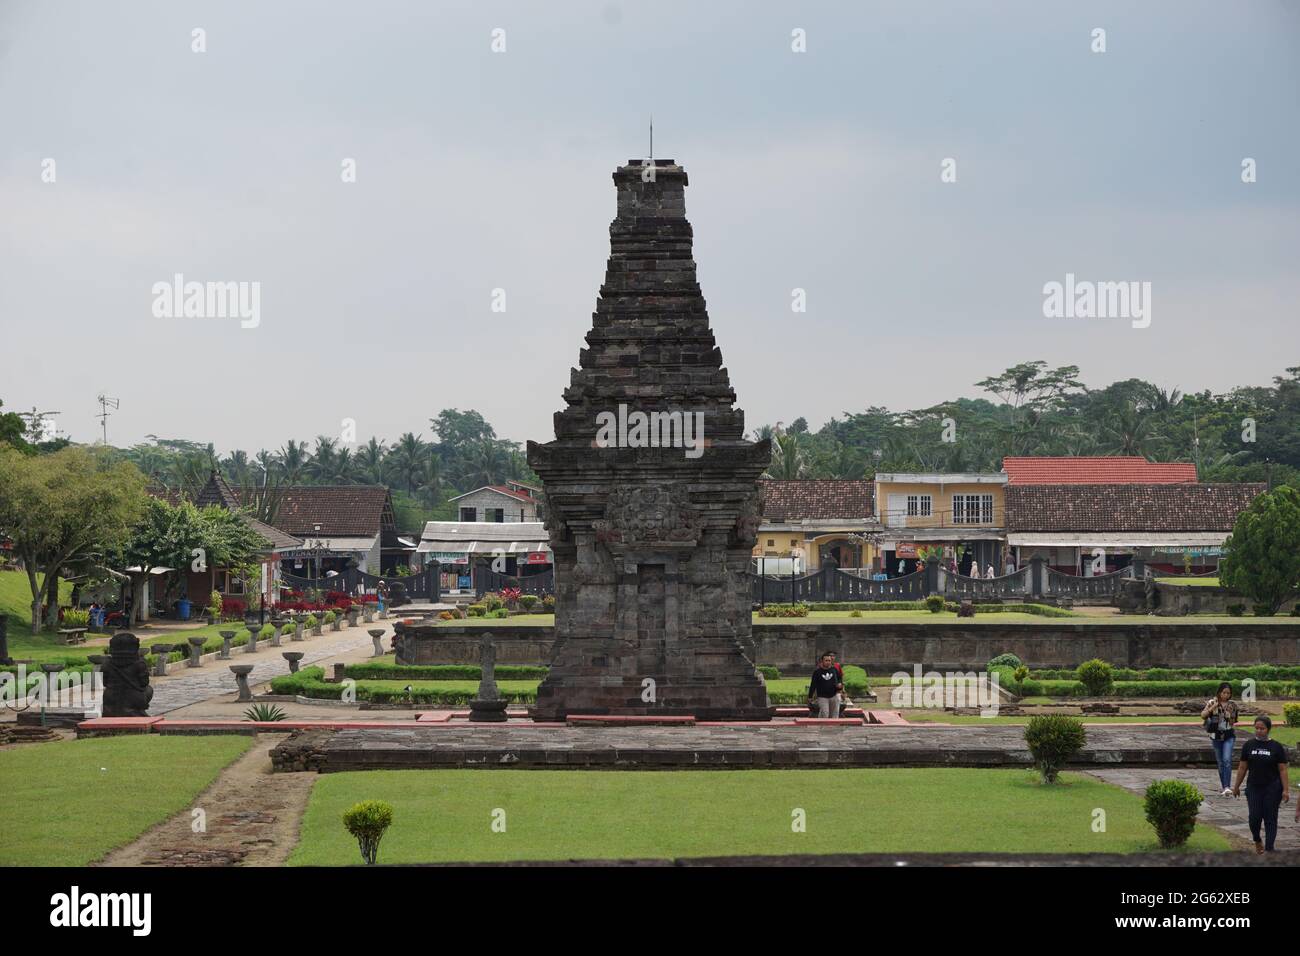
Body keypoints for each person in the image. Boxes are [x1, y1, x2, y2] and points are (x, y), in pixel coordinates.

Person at [1231, 716, 1290, 853]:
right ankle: (1257, 839)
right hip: (1254, 787)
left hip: (1272, 788)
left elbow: (1282, 769)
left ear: (1268, 729)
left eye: (1262, 728)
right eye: (1256, 728)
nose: (1259, 731)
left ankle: (1270, 848)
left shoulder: (1276, 747)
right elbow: (1242, 768)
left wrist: (1285, 790)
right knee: (1254, 818)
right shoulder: (1249, 745)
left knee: (1270, 818)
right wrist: (1236, 786)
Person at [1200, 682, 1239, 795]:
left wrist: (1229, 715)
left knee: (1227, 760)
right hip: (1215, 736)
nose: (1226, 695)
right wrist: (1213, 708)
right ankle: (1224, 786)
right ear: (1219, 692)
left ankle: (1227, 786)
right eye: (1224, 692)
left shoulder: (1233, 705)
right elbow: (1203, 715)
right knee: (1220, 762)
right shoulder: (1212, 702)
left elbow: (1233, 722)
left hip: (1228, 735)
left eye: (1228, 693)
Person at [807, 652, 843, 719]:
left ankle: (833, 728)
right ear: (822, 661)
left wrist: (840, 685)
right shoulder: (817, 672)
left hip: (834, 695)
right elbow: (813, 685)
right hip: (822, 696)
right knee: (825, 713)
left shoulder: (834, 670)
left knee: (834, 714)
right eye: (826, 660)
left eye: (829, 660)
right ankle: (823, 727)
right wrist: (810, 696)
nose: (828, 662)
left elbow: (839, 678)